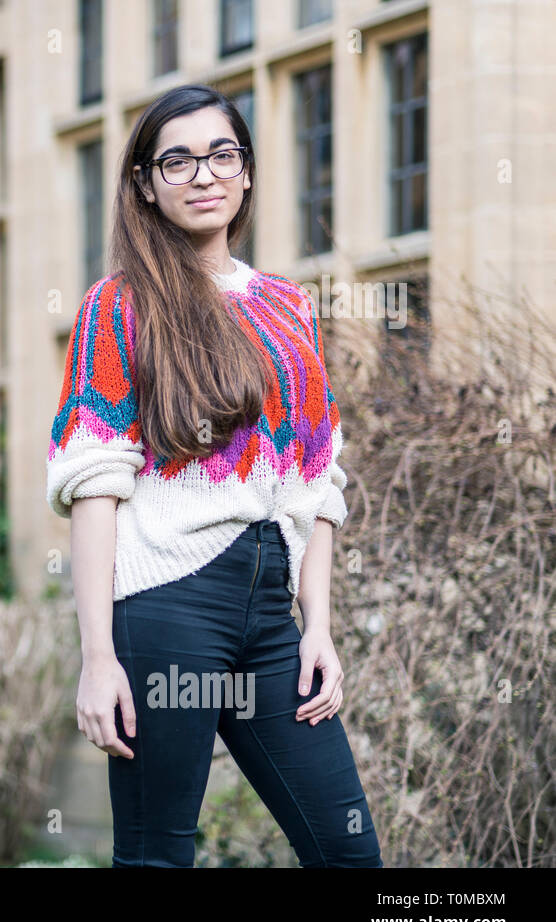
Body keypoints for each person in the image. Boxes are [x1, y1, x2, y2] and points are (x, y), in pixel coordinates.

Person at [46, 83, 382, 868]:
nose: (203, 175)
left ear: (248, 173)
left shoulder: (288, 306)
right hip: (167, 610)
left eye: (221, 155)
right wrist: (99, 658)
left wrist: (319, 625)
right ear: (145, 184)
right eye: (178, 160)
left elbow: (315, 478)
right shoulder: (119, 306)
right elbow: (94, 484)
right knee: (159, 854)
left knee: (346, 851)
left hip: (271, 616)